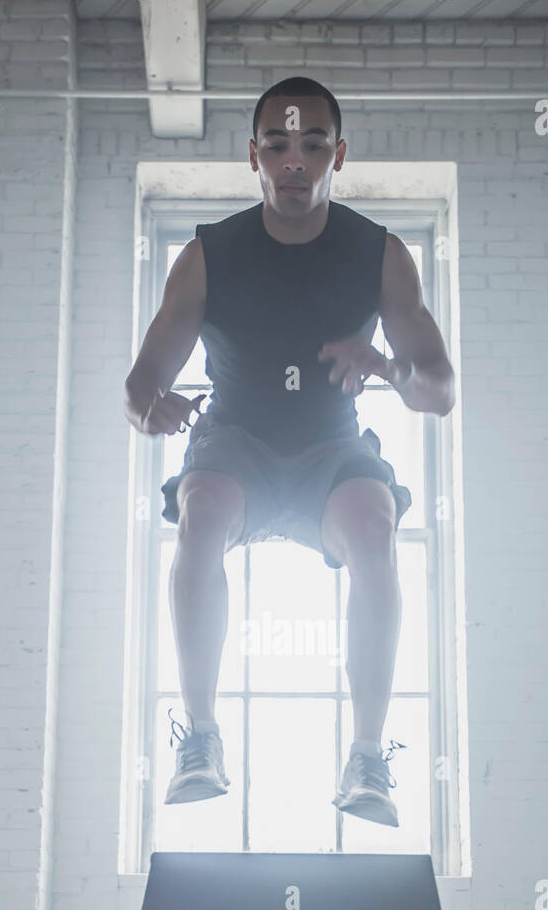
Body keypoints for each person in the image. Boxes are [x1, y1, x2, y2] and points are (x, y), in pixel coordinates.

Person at [124, 77, 455, 827]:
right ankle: (200, 738)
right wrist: (152, 408)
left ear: (339, 154)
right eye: (277, 145)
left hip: (329, 449)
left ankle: (367, 756)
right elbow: (139, 385)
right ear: (254, 157)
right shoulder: (208, 256)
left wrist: (387, 367)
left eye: (312, 145)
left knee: (374, 521)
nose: (294, 162)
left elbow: (440, 391)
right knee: (200, 511)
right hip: (234, 443)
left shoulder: (380, 255)